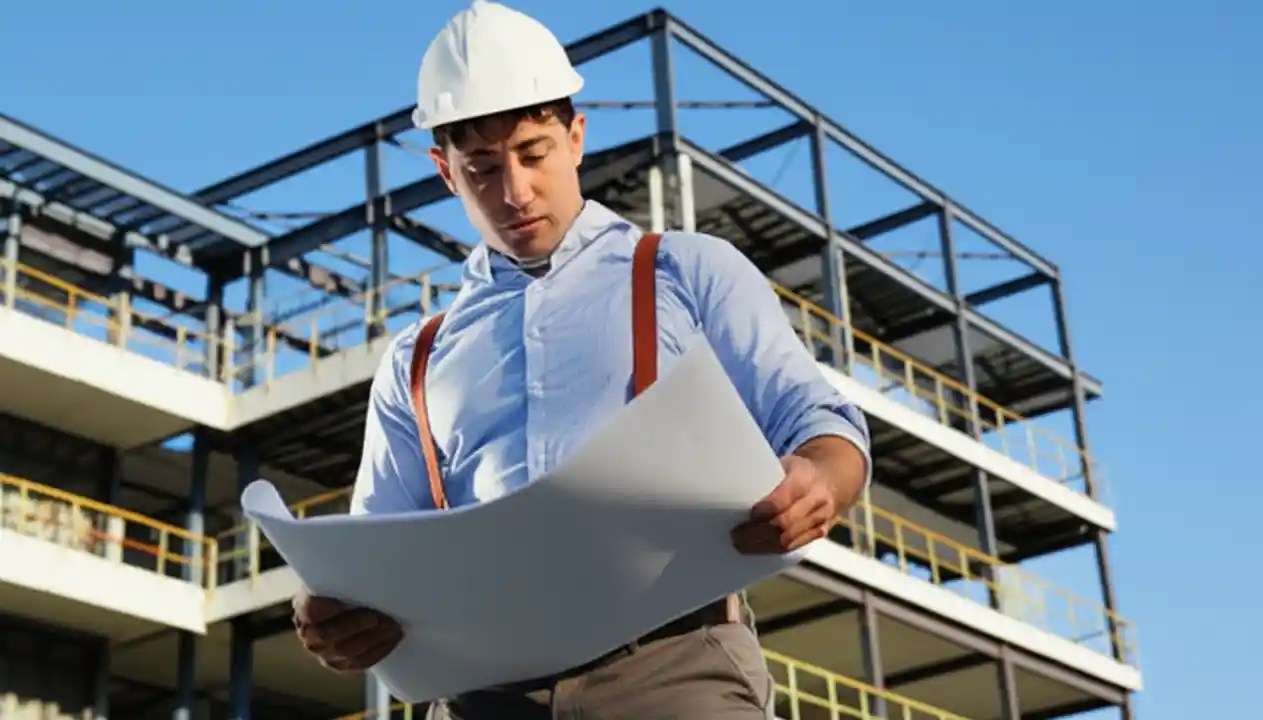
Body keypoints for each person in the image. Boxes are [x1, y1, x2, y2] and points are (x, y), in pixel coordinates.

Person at [291, 2, 872, 717]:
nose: (515, 192)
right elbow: (375, 557)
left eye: (534, 154)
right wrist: (330, 615)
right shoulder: (416, 360)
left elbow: (820, 422)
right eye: (481, 168)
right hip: (484, 697)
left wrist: (819, 478)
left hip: (671, 669)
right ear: (445, 172)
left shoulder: (688, 273)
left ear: (576, 138)